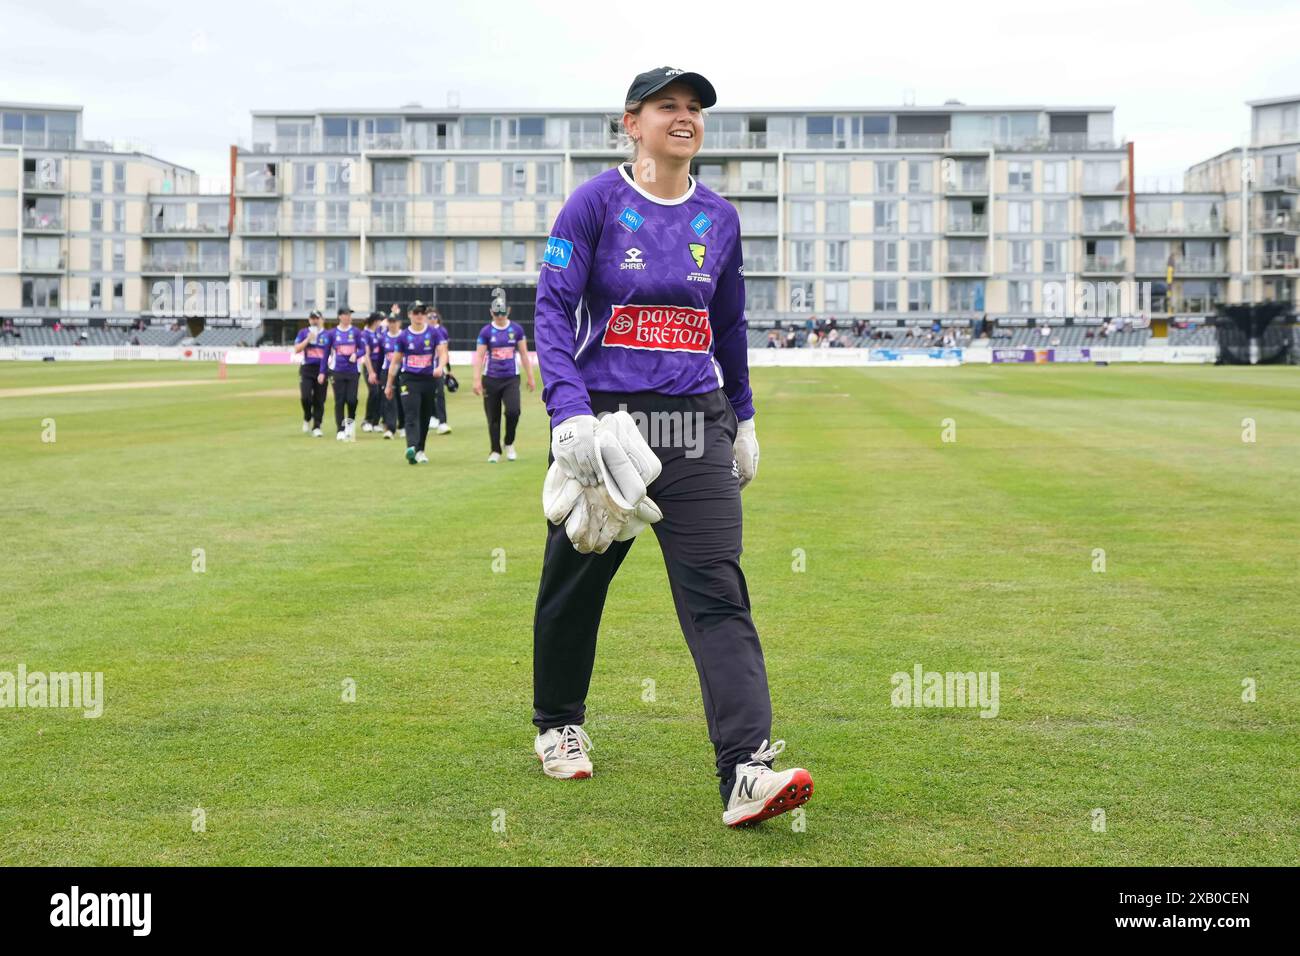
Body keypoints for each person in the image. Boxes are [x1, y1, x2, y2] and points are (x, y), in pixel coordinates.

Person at [531, 66, 813, 828]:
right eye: (668, 107)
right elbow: (553, 309)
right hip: (609, 427)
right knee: (575, 580)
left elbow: (729, 328)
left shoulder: (719, 217)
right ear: (632, 122)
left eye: (694, 109)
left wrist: (745, 421)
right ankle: (557, 721)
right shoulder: (593, 203)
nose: (684, 118)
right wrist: (568, 415)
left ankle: (746, 770)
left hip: (696, 422)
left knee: (718, 594)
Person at [472, 297, 535, 463]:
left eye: (502, 312)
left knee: (514, 411)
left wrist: (530, 376)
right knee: (493, 417)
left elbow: (523, 354)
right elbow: (479, 356)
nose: (499, 316)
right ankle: (495, 450)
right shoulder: (485, 332)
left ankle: (509, 442)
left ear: (508, 311)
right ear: (491, 312)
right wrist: (476, 380)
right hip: (491, 379)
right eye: (496, 312)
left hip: (511, 378)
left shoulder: (516, 329)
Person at [384, 301, 446, 464]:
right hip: (409, 379)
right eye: (416, 312)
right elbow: (396, 362)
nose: (420, 316)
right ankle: (411, 447)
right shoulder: (404, 336)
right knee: (411, 414)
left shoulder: (433, 333)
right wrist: (389, 384)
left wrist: (440, 366)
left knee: (425, 416)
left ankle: (420, 450)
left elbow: (443, 352)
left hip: (428, 379)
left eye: (422, 313)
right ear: (409, 315)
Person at [317, 307, 374, 442]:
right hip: (337, 371)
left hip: (353, 371)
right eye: (346, 315)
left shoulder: (356, 332)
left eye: (350, 315)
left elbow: (362, 350)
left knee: (352, 400)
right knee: (340, 400)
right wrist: (321, 372)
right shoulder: (331, 334)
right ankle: (340, 430)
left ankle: (350, 424)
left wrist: (356, 354)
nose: (348, 317)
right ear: (340, 317)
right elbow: (325, 355)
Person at [292, 309, 327, 436]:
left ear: (321, 320)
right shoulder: (303, 332)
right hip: (307, 368)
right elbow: (296, 349)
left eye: (317, 318)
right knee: (305, 396)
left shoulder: (326, 334)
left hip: (322, 369)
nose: (314, 321)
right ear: (309, 320)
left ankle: (317, 425)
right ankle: (307, 416)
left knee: (319, 399)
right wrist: (307, 340)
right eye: (312, 318)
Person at [378, 310, 405, 440]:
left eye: (395, 322)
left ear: (399, 323)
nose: (392, 324)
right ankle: (390, 428)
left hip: (403, 371)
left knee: (403, 398)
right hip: (387, 371)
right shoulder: (383, 337)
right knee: (389, 399)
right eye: (390, 322)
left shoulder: (404, 336)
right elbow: (379, 356)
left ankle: (403, 425)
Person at [427, 309, 452, 435]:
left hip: (438, 367)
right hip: (425, 369)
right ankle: (432, 417)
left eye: (434, 317)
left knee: (440, 394)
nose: (432, 319)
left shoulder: (441, 331)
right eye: (429, 317)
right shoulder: (423, 331)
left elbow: (445, 351)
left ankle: (442, 422)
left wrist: (448, 369)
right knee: (428, 394)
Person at [360, 312, 386, 432]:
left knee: (380, 393)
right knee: (374, 392)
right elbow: (366, 355)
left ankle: (376, 422)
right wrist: (371, 372)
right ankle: (367, 420)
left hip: (380, 365)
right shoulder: (365, 334)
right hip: (370, 365)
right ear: (375, 321)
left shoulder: (378, 332)